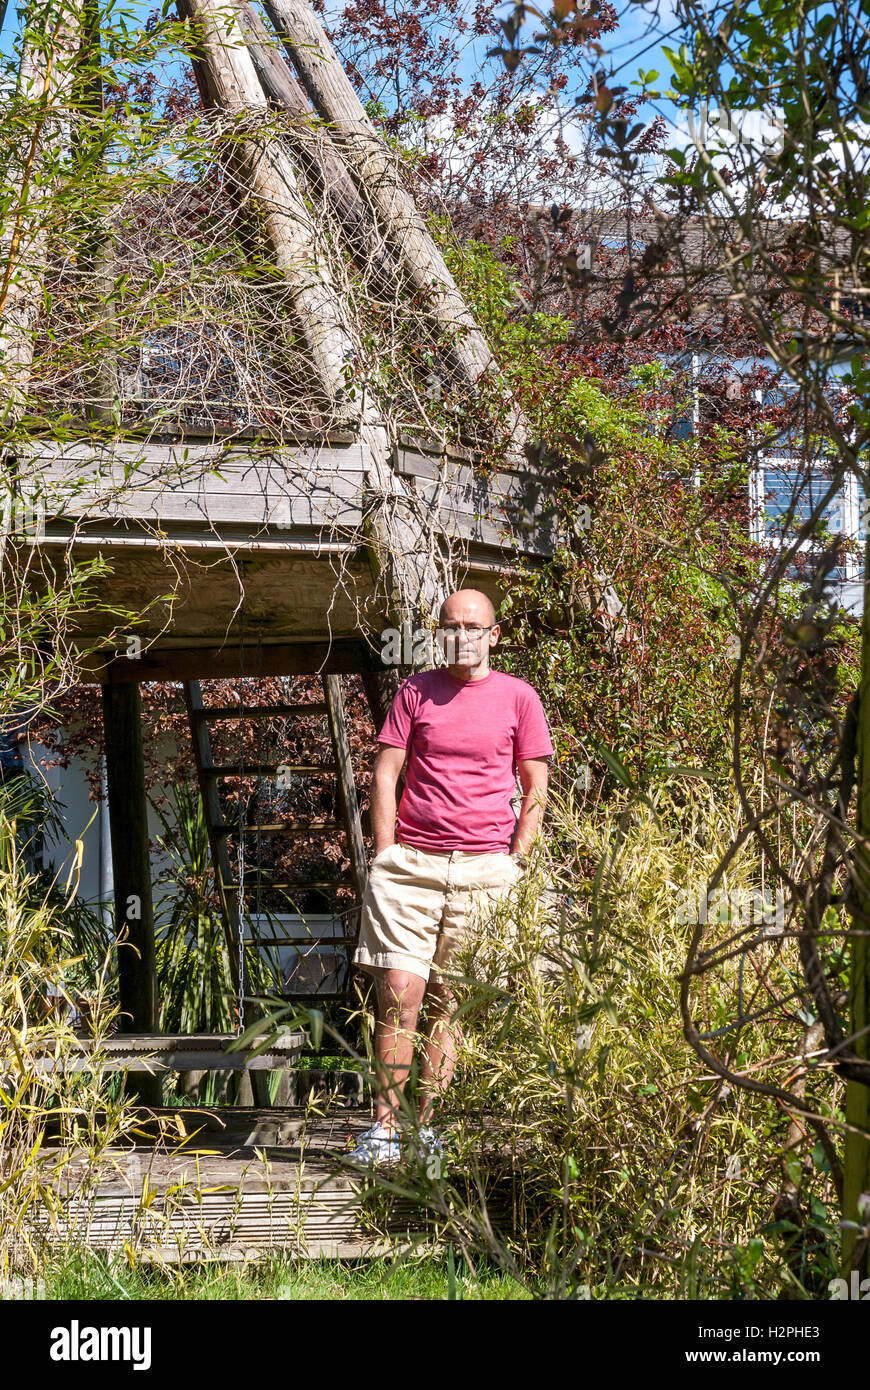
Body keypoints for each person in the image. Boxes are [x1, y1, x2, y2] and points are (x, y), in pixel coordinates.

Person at [346, 587, 554, 1166]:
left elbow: (536, 788)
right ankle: (383, 1131)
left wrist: (516, 858)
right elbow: (386, 774)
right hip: (411, 864)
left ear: (493, 634)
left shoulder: (519, 698)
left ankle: (425, 1130)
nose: (460, 635)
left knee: (451, 1000)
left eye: (472, 626)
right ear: (438, 634)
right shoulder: (415, 692)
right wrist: (385, 852)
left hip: (485, 867)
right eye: (449, 626)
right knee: (397, 993)